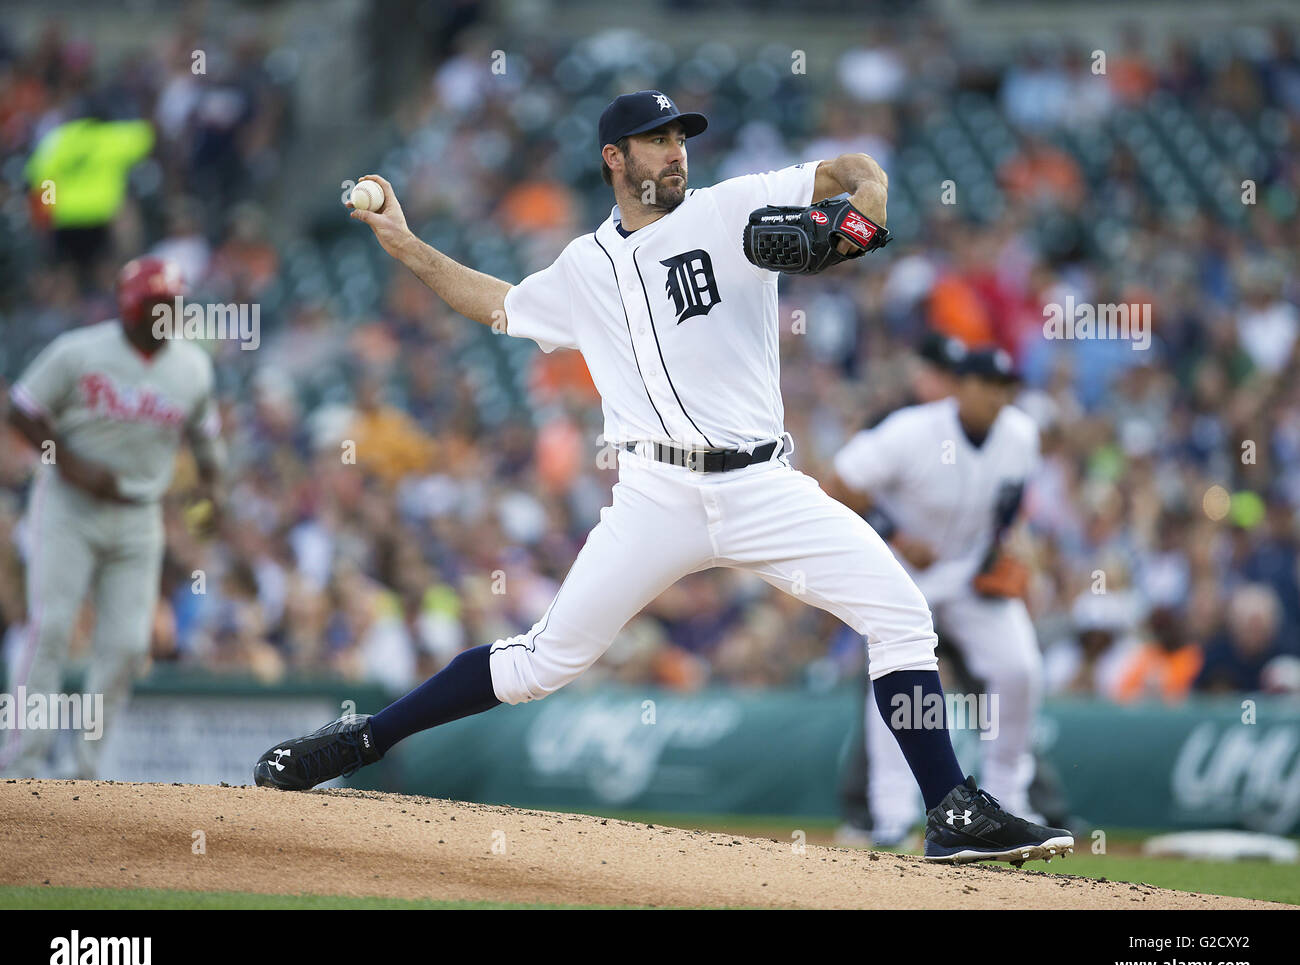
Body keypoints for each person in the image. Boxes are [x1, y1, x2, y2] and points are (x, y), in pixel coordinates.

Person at [253, 91, 1073, 865]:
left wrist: (866, 213)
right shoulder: (583, 267)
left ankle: (953, 811)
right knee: (542, 664)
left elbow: (856, 168)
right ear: (616, 157)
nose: (676, 151)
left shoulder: (733, 206)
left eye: (682, 137)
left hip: (762, 484)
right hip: (654, 496)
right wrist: (403, 243)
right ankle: (363, 741)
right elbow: (498, 306)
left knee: (900, 614)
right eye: (658, 139)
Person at [3, 257, 224, 778]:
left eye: (171, 306)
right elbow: (21, 408)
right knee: (51, 627)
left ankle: (85, 769)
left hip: (138, 516)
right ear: (129, 307)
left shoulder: (192, 367)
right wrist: (69, 461)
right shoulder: (80, 350)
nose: (165, 315)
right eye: (155, 307)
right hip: (67, 506)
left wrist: (213, 489)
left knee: (126, 645)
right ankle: (20, 763)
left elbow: (206, 437)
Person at [825, 348, 1048, 840]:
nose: (998, 396)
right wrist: (898, 537)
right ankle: (891, 814)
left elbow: (1010, 502)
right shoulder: (912, 429)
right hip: (904, 574)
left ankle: (1008, 799)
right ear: (962, 386)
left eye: (1005, 386)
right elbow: (840, 481)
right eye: (988, 384)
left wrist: (1001, 548)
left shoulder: (1021, 435)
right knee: (900, 672)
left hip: (969, 578)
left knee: (1020, 668)